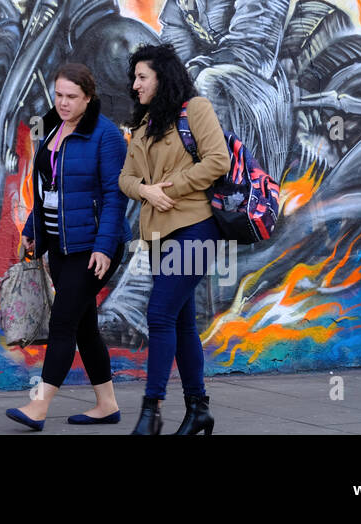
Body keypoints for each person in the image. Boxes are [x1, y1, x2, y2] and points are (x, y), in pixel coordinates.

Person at [5, 63, 129, 431]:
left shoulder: (105, 136)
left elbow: (114, 197)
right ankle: (107, 404)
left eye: (71, 97)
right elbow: (47, 191)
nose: (62, 102)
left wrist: (105, 247)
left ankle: (39, 405)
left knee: (62, 321)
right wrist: (32, 228)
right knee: (84, 326)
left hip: (92, 248)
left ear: (88, 98)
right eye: (58, 95)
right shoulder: (55, 128)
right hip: (59, 243)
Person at [118, 43, 230, 435]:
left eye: (142, 77)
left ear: (162, 77)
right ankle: (199, 409)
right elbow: (126, 178)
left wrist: (173, 187)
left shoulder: (195, 110)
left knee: (159, 314)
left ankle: (152, 411)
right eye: (134, 78)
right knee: (181, 323)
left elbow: (218, 160)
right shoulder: (144, 125)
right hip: (157, 235)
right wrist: (146, 192)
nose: (135, 85)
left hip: (195, 226)